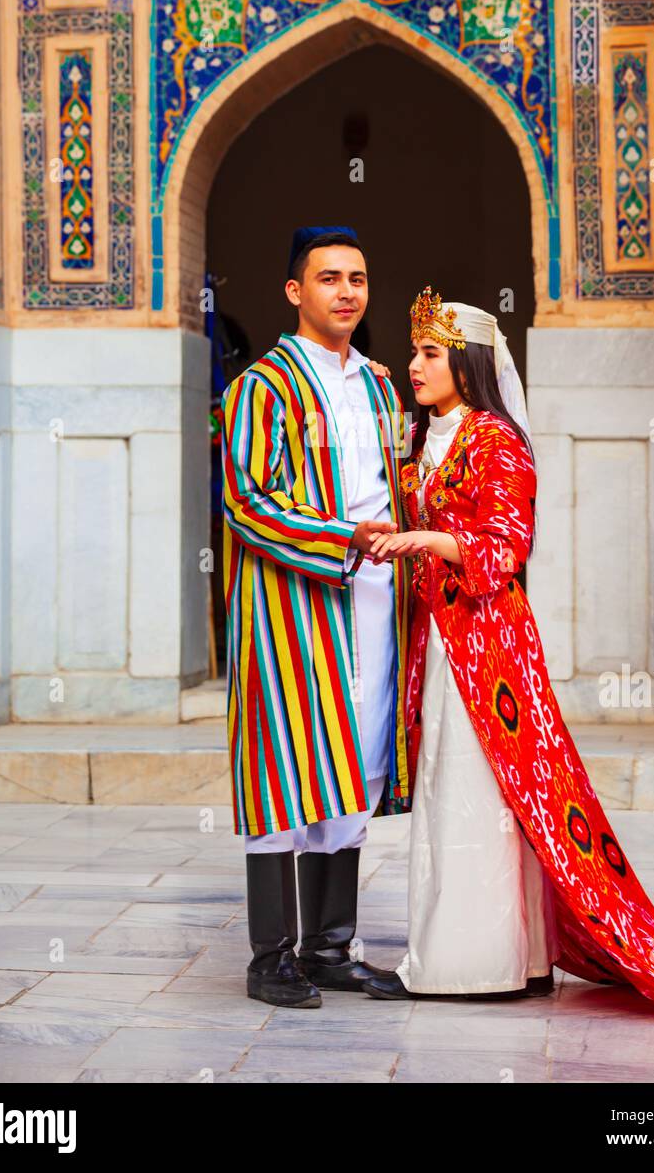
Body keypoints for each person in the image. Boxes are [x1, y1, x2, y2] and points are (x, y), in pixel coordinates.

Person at [360, 286, 654, 1035]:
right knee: (452, 787)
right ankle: (496, 956)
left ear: (467, 362)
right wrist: (390, 532)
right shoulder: (428, 438)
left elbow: (504, 549)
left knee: (479, 792)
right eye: (416, 351)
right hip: (443, 638)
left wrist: (423, 542)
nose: (415, 364)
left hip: (490, 643)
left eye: (430, 353)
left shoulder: (495, 439)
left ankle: (475, 965)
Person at [221, 226, 411, 1008]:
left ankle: (331, 948)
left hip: (372, 602)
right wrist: (341, 538)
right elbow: (245, 499)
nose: (346, 290)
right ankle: (271, 960)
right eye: (328, 277)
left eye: (358, 278)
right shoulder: (260, 386)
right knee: (283, 767)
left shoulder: (379, 384)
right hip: (288, 605)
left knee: (351, 764)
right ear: (295, 291)